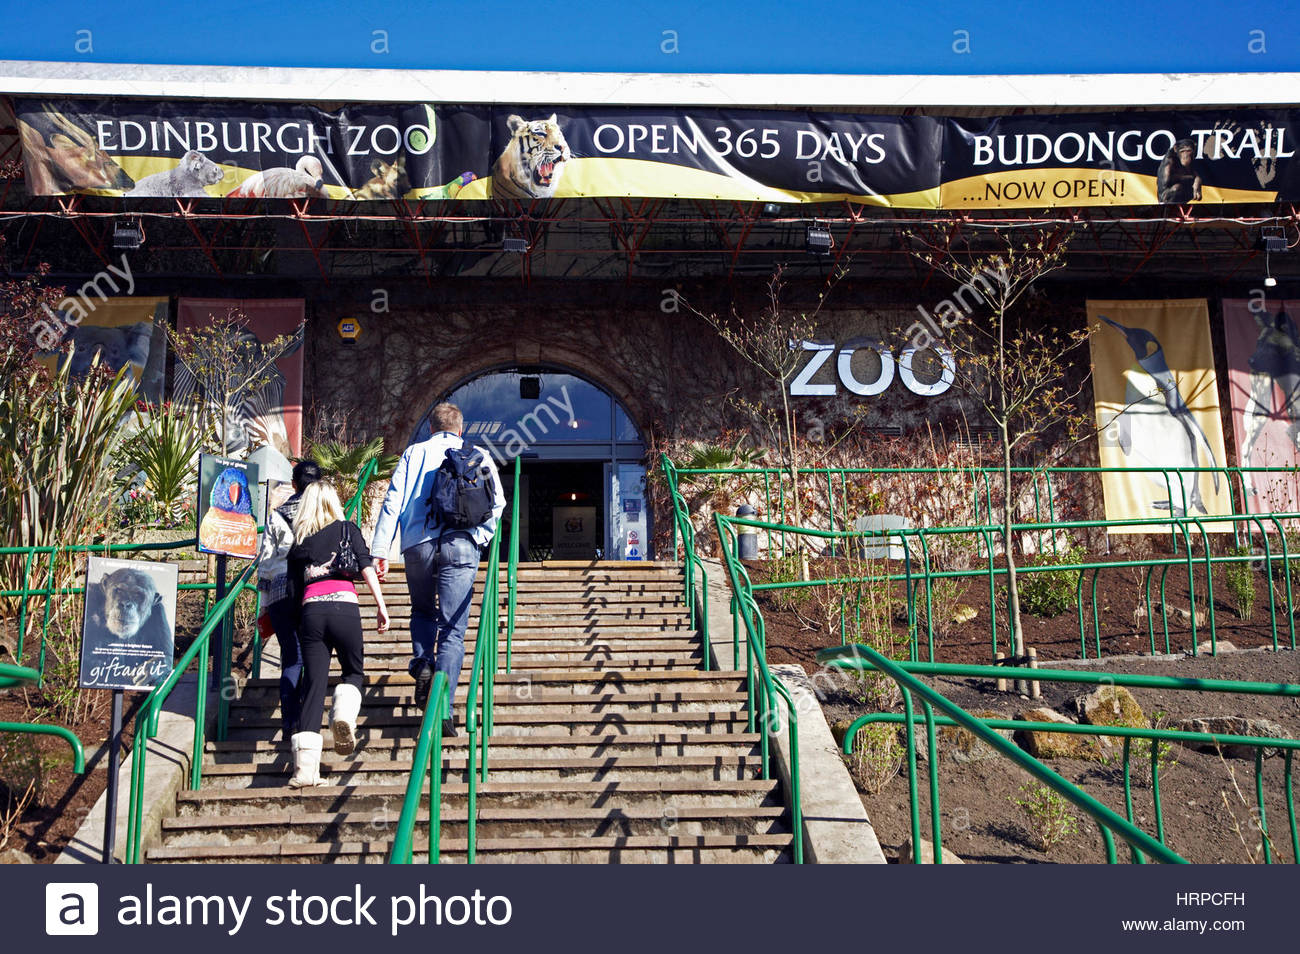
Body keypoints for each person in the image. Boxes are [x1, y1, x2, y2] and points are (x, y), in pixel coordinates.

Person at [370, 402, 506, 738]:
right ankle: (442, 711)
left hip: (417, 545)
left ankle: (422, 663)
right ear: (461, 430)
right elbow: (498, 503)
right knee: (453, 630)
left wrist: (380, 550)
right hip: (461, 545)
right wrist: (479, 538)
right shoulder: (478, 454)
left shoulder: (414, 452)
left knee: (421, 610)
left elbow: (393, 501)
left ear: (431, 428)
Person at [285, 481, 390, 787]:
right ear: (334, 502)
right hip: (344, 607)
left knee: (314, 685)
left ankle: (305, 772)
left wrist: (295, 621)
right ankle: (342, 714)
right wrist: (381, 606)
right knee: (353, 672)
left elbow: (293, 588)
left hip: (311, 612)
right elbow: (367, 567)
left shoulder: (300, 539)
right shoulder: (347, 529)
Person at [255, 459, 321, 742]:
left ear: (293, 484)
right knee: (314, 658)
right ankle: (308, 724)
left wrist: (264, 605)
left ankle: (289, 724)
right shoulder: (324, 512)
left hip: (282, 592)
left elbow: (265, 562)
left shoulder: (277, 515)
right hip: (315, 590)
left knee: (291, 659)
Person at [1157, 138, 1203, 203]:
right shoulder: (1169, 160)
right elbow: (1167, 181)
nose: (1185, 156)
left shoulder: (1192, 158)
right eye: (1182, 151)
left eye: (1188, 151)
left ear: (1193, 150)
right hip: (1166, 196)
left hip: (1181, 192)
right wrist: (1192, 178)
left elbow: (1195, 173)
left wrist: (1197, 180)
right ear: (1176, 150)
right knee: (1177, 187)